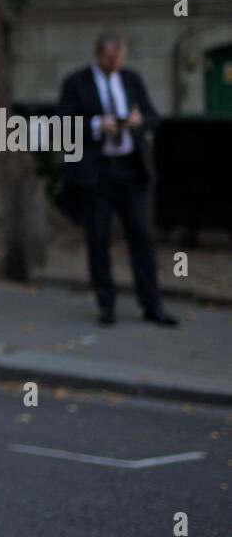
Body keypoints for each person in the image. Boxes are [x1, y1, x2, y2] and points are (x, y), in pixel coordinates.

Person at [57, 34, 178, 327]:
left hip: (131, 170)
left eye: (120, 58)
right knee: (98, 238)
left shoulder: (131, 79)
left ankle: (151, 303)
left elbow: (153, 117)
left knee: (143, 237)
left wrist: (138, 122)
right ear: (99, 55)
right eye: (111, 59)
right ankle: (106, 304)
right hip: (96, 173)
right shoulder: (77, 82)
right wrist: (97, 125)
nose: (116, 64)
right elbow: (63, 124)